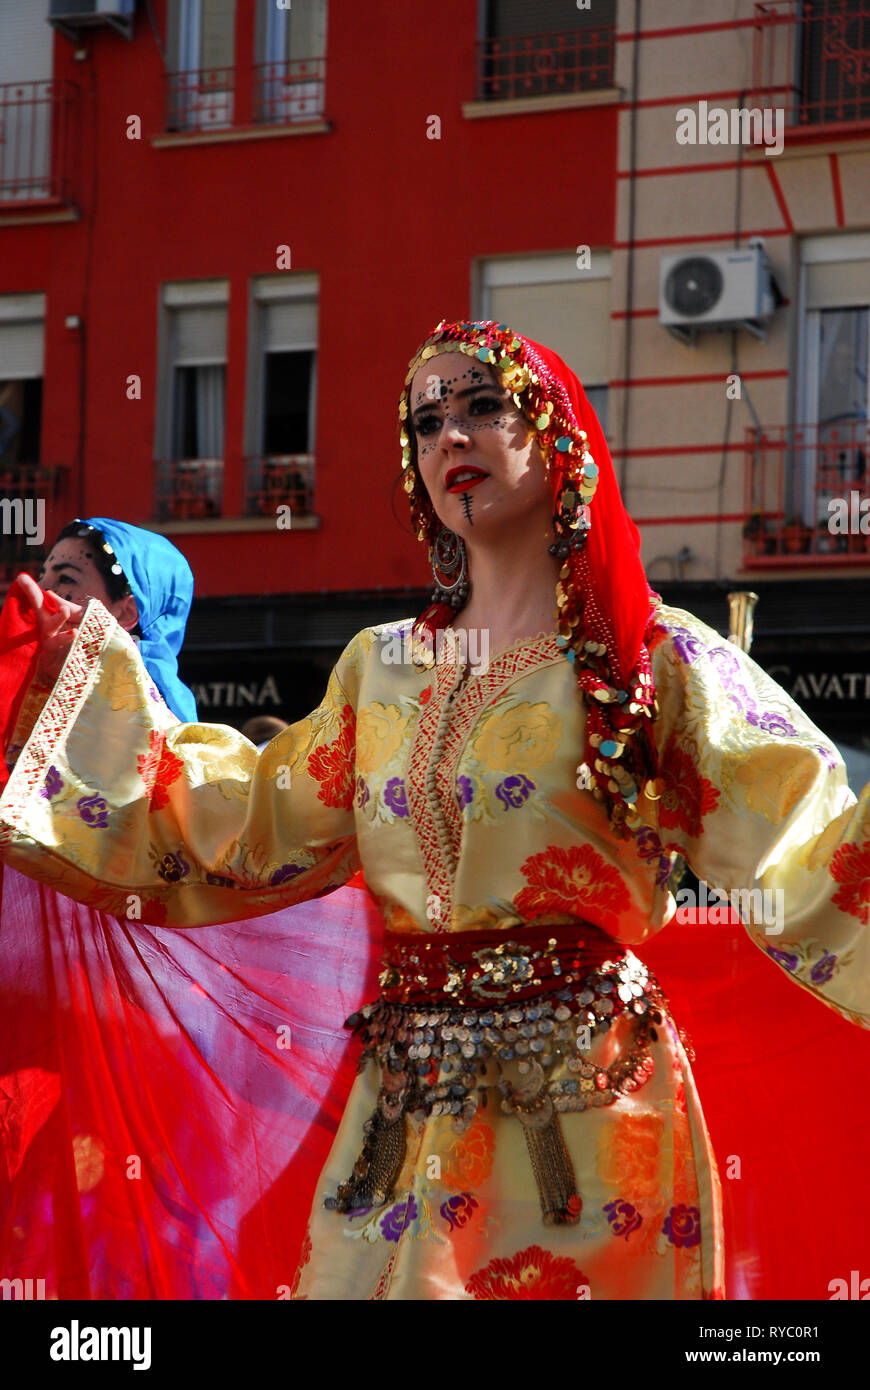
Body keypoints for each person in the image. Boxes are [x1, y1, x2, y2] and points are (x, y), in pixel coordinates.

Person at [1, 321, 868, 1301]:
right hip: (404, 1102)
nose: (450, 436)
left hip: (578, 1105)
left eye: (482, 407)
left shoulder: (648, 660)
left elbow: (813, 849)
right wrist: (68, 680)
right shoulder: (385, 668)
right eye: (426, 421)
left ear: (557, 436)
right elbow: (249, 826)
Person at [0, 518, 377, 1299]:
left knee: (151, 1250)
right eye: (46, 574)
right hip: (49, 1072)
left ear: (128, 612)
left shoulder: (179, 749)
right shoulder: (37, 732)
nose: (46, 596)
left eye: (69, 582)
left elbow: (258, 862)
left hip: (162, 1074)